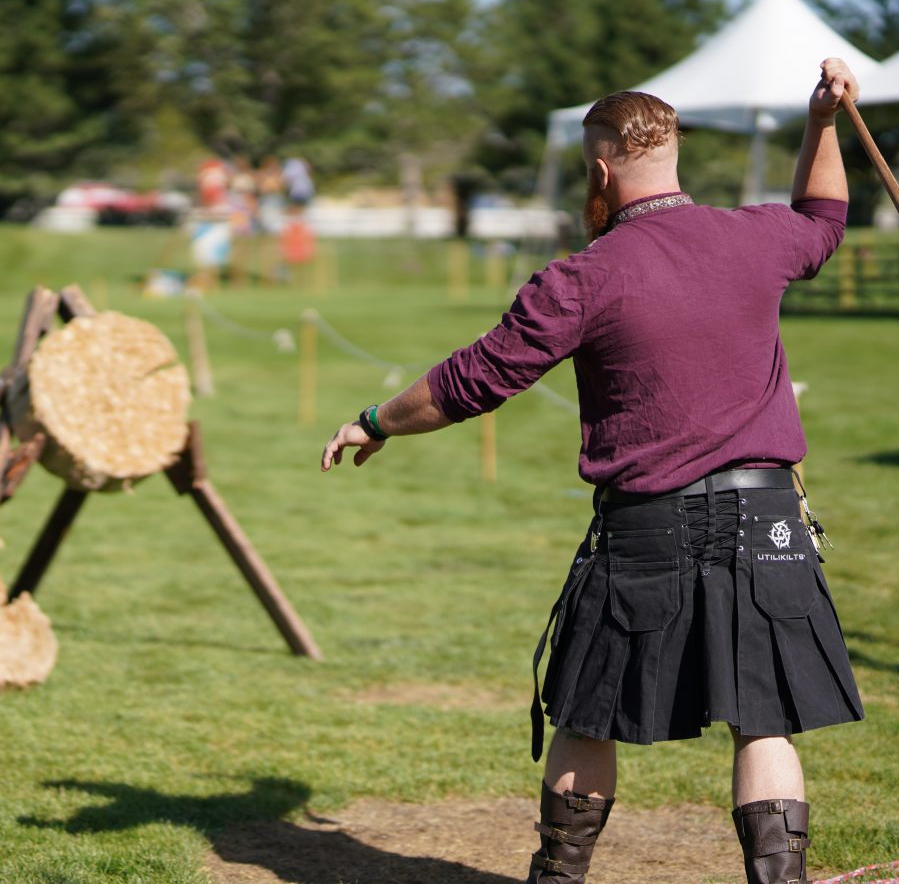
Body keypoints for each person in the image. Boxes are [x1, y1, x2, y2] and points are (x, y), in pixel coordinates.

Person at [319, 59, 866, 884]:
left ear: (602, 170)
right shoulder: (757, 237)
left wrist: (374, 421)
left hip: (646, 526)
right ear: (673, 157)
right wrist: (822, 121)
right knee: (765, 721)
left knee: (584, 715)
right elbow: (824, 215)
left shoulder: (584, 276)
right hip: (770, 523)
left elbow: (474, 380)